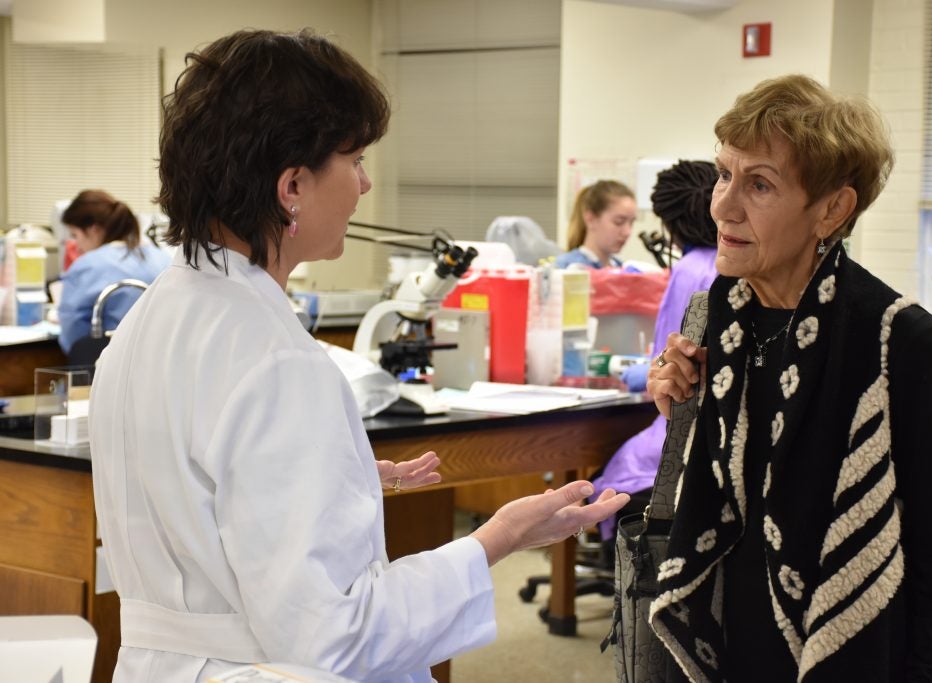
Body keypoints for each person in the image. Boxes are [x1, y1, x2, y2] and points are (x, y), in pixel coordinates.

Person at [88, 29, 629, 683]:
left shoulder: (149, 320)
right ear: (292, 184)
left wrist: (335, 475)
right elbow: (338, 634)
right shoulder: (276, 359)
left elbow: (189, 492)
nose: (366, 183)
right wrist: (498, 537)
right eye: (355, 159)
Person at [645, 74, 932, 681]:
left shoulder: (897, 337)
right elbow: (720, 497)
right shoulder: (720, 310)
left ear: (832, 209)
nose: (722, 206)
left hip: (858, 652)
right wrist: (681, 408)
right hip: (735, 646)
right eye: (724, 174)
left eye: (759, 184)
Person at [591, 160, 719, 545]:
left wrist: (643, 372)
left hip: (685, 433)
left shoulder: (690, 268)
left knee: (609, 480)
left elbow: (670, 359)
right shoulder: (731, 261)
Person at [56, 190, 169, 354]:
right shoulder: (163, 259)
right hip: (159, 357)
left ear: (93, 229)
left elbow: (73, 334)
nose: (76, 246)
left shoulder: (88, 265)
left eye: (75, 235)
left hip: (107, 360)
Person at [554, 179, 637, 269]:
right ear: (591, 219)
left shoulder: (622, 268)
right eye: (618, 222)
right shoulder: (566, 268)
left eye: (631, 223)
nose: (627, 232)